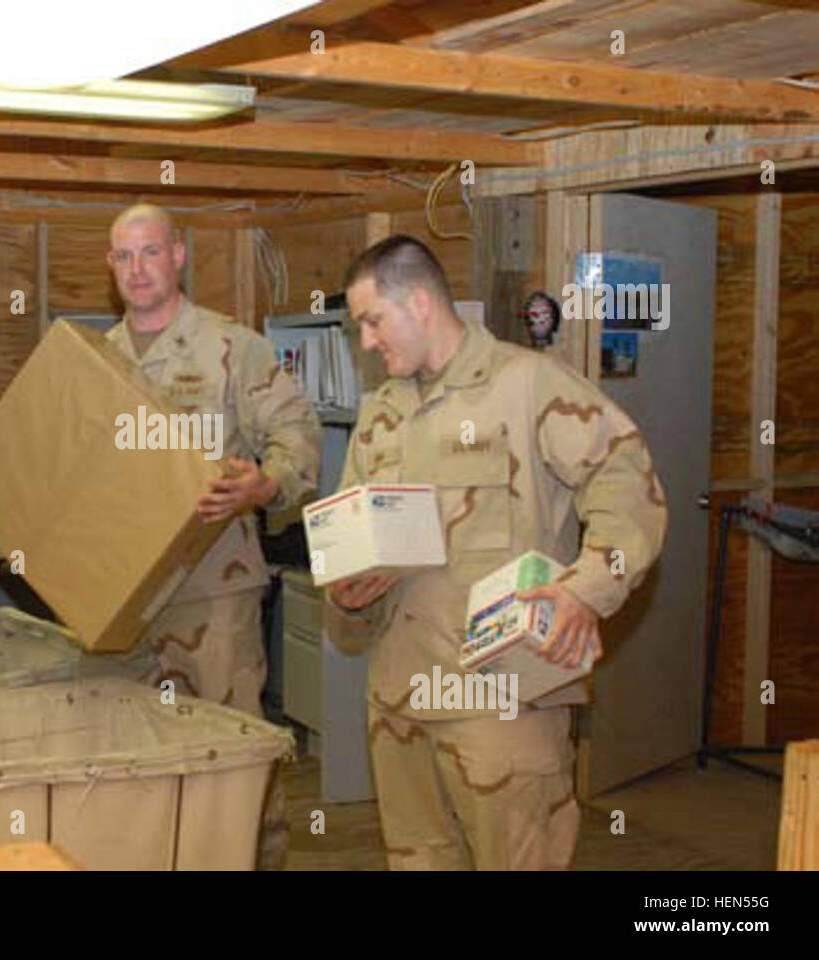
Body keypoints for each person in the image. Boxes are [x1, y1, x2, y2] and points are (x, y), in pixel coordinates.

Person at [325, 235, 667, 870]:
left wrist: (584, 590)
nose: (366, 341)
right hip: (401, 698)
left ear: (420, 302)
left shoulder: (529, 385)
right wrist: (346, 596)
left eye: (372, 321)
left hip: (500, 702)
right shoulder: (380, 412)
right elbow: (350, 534)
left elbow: (627, 482)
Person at [104, 203, 321, 869]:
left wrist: (265, 484)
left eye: (149, 252)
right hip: (125, 600)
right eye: (123, 256)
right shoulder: (99, 360)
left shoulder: (231, 347)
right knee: (140, 763)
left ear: (178, 255)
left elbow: (299, 438)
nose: (137, 269)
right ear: (110, 267)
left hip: (213, 592)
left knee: (236, 761)